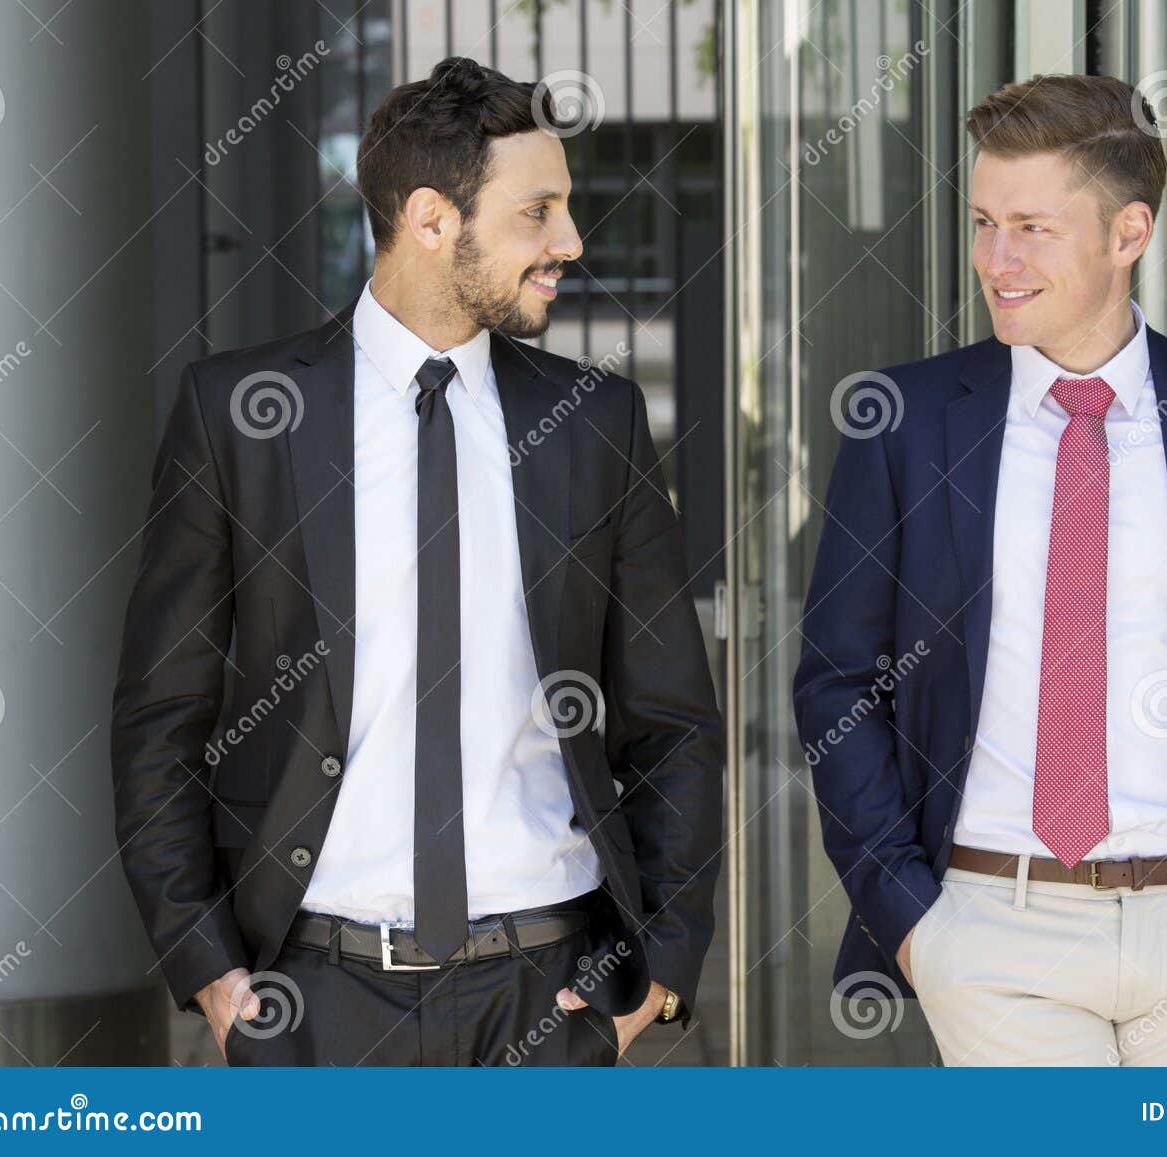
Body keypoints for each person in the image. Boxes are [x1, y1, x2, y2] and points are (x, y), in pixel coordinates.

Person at [112, 56, 722, 1066]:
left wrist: (655, 978)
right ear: (432, 219)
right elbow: (159, 716)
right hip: (313, 1001)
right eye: (538, 212)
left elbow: (675, 723)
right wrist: (211, 968)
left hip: (550, 991)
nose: (570, 241)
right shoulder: (242, 417)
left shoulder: (593, 423)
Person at [793, 73, 1167, 1066]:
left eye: (1033, 228)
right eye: (984, 223)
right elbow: (838, 682)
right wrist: (914, 920)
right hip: (992, 927)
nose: (996, 259)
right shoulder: (904, 422)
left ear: (1127, 233)